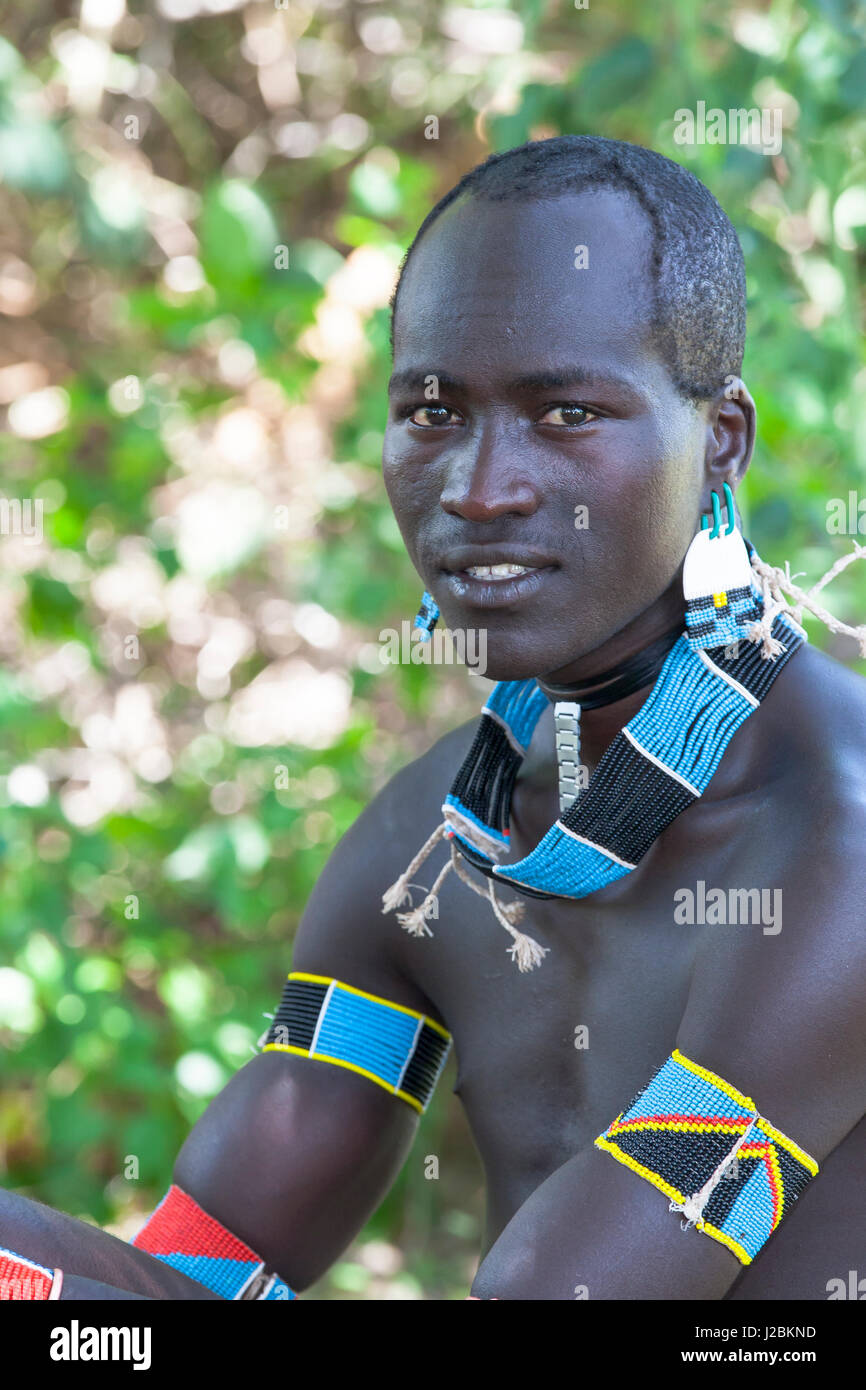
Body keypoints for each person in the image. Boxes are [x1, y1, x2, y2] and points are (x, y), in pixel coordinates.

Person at [3, 135, 865, 1302]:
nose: (478, 485)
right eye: (430, 408)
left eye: (564, 411)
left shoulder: (837, 846)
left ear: (719, 439)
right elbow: (201, 1279)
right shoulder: (433, 846)